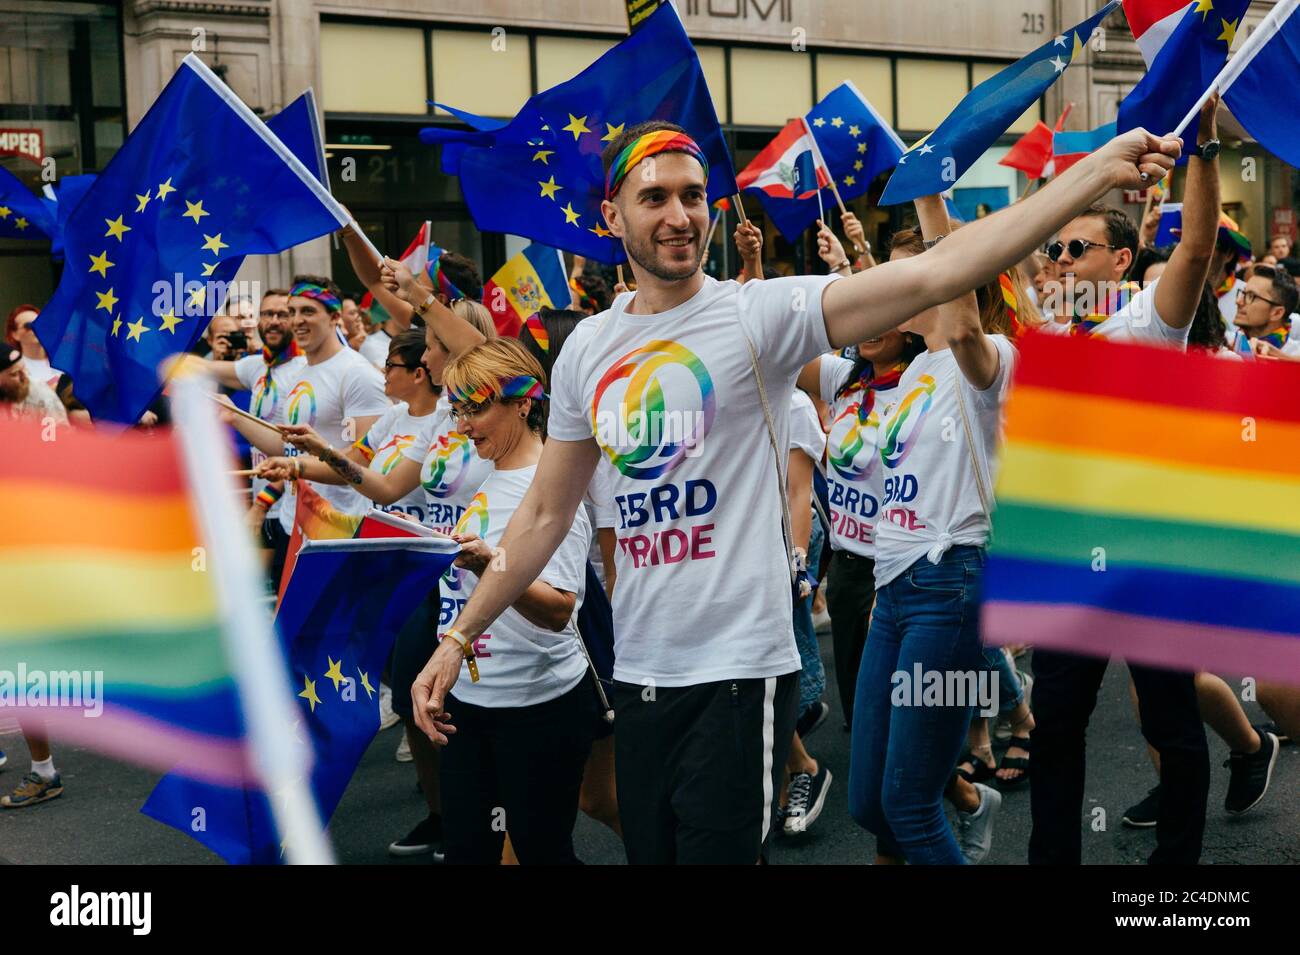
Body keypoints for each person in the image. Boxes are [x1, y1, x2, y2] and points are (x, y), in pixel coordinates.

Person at [409, 118, 1180, 864]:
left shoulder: (758, 316)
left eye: (692, 194)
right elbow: (547, 510)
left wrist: (1093, 170)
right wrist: (458, 637)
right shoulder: (587, 348)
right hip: (642, 676)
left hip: (740, 673)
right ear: (612, 215)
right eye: (655, 198)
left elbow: (939, 273)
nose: (680, 215)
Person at [1028, 99, 1222, 867]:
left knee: (1169, 720)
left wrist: (1201, 145)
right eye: (1058, 249)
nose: (1064, 260)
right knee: (1056, 723)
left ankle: (1174, 872)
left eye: (1080, 248)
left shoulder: (1146, 320)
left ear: (1119, 261)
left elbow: (1199, 245)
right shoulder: (1041, 334)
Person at [258, 262, 492, 860]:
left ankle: (486, 820)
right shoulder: (436, 419)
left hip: (492, 575)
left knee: (493, 724)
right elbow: (383, 485)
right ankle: (452, 815)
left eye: (433, 345)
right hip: (430, 576)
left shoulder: (502, 414)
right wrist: (308, 456)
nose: (417, 355)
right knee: (424, 688)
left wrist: (399, 283)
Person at [434, 337, 596, 864]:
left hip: (536, 707)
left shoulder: (550, 483)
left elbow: (559, 609)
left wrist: (488, 563)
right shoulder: (489, 473)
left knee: (542, 852)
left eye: (476, 408)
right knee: (467, 851)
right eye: (457, 410)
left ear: (523, 401)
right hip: (470, 702)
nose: (463, 424)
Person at [225, 276, 389, 586]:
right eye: (293, 311)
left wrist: (297, 466)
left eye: (308, 311)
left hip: (340, 529)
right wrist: (233, 416)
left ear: (334, 317)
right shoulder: (300, 372)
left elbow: (363, 463)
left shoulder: (357, 375)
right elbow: (284, 446)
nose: (297, 320)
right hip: (294, 523)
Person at [1234, 264, 1300, 357]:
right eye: (1243, 293)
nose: (1238, 301)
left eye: (1251, 296)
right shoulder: (1224, 345)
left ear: (1277, 313)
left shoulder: (1293, 356)